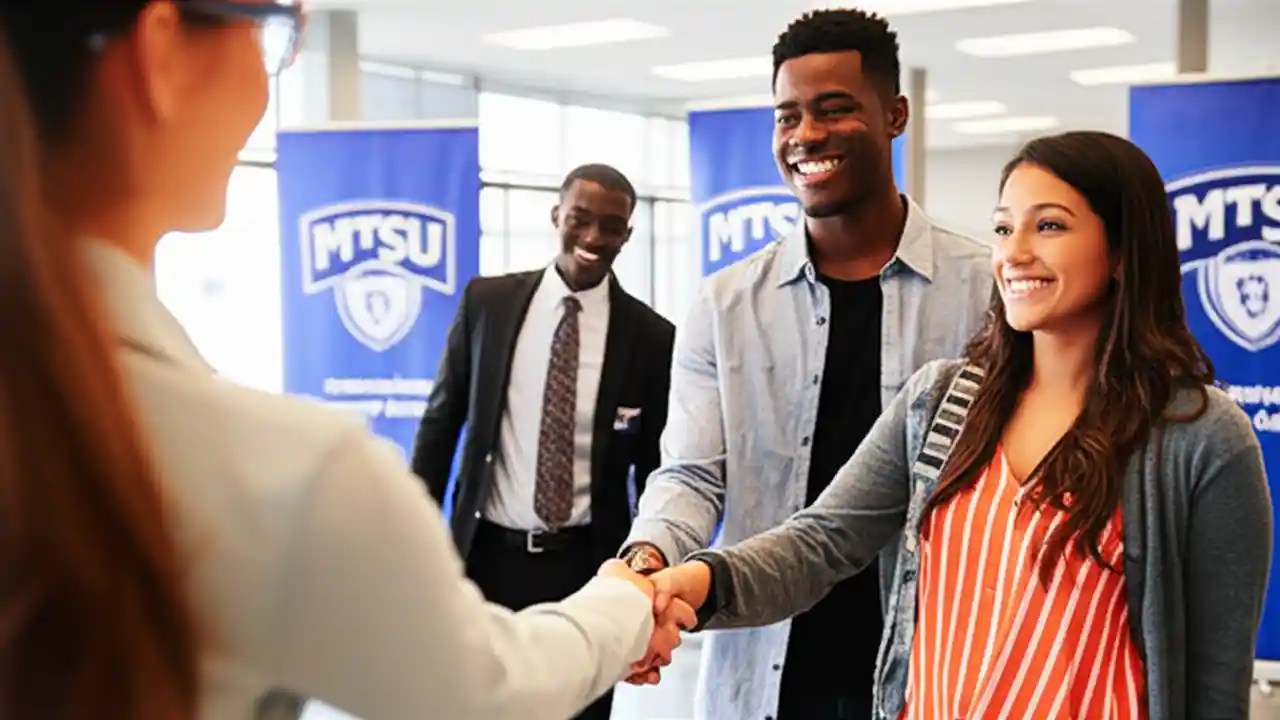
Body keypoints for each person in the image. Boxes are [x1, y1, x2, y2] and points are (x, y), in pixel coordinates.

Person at [0, 3, 692, 720]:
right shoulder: (283, 475)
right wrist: (629, 599)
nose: (272, 81)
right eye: (277, 29)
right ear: (163, 51)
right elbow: (488, 691)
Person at [644, 130, 1273, 720]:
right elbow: (820, 543)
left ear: (1121, 252)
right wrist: (691, 585)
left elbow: (1214, 687)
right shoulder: (942, 403)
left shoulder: (1198, 437)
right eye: (1003, 227)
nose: (1014, 252)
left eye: (1049, 225)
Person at [618, 9, 992, 719]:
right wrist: (648, 562)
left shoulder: (987, 292)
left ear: (894, 115)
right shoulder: (724, 305)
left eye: (833, 109)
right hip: (763, 668)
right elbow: (692, 476)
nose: (805, 136)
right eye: (787, 116)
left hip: (937, 668)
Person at [411, 161, 675, 720]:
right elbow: (441, 425)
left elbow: (659, 469)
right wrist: (410, 544)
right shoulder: (489, 304)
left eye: (610, 226)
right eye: (579, 219)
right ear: (556, 216)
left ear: (628, 234)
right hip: (486, 558)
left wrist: (649, 572)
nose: (593, 238)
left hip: (588, 568)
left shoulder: (652, 337)